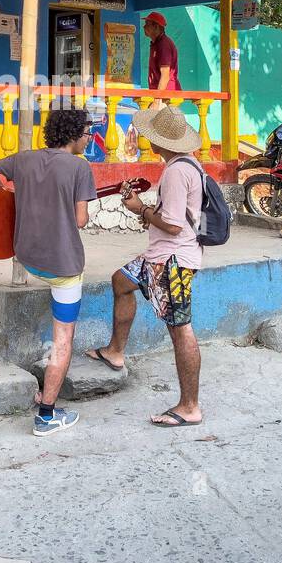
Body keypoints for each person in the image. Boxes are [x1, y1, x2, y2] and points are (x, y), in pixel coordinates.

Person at [0, 107, 96, 436]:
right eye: (87, 132)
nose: (90, 137)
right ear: (73, 135)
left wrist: (9, 198)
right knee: (63, 340)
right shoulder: (79, 168)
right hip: (63, 267)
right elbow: (81, 220)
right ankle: (46, 414)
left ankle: (45, 400)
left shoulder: (24, 159)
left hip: (28, 258)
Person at [87, 103, 204, 427]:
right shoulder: (187, 166)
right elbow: (174, 218)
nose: (143, 137)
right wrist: (148, 213)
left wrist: (141, 210)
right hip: (162, 255)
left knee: (180, 330)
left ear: (160, 141)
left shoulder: (178, 171)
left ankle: (190, 406)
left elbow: (173, 224)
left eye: (148, 133)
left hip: (173, 261)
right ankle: (115, 350)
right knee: (121, 281)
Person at [143, 11, 181, 96]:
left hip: (167, 94)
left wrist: (157, 100)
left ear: (156, 27)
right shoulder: (155, 43)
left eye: (147, 24)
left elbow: (165, 75)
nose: (144, 26)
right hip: (161, 93)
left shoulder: (163, 44)